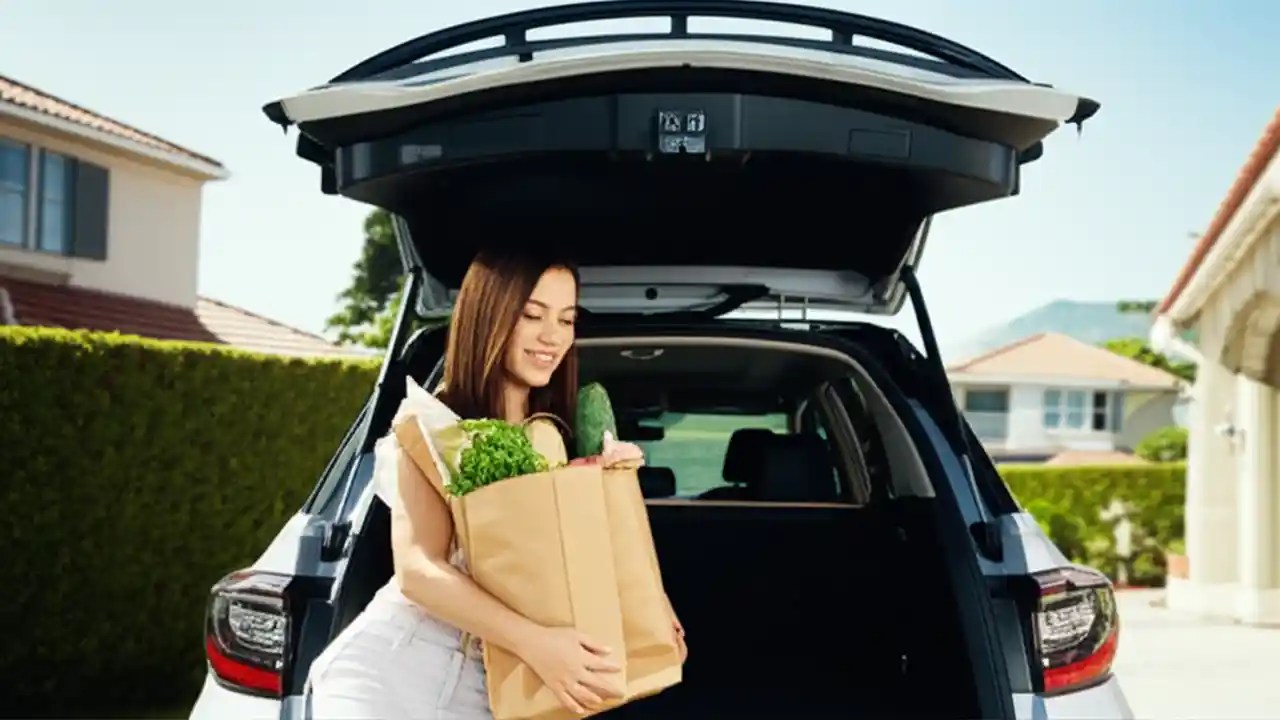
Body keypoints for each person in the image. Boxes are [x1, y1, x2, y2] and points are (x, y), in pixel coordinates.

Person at [306, 247, 687, 720]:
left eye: (567, 320)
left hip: (499, 690)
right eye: (533, 315)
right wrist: (539, 644)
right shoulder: (429, 427)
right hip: (394, 673)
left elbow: (578, 568)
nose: (553, 337)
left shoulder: (562, 441)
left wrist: (652, 605)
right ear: (490, 316)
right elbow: (418, 569)